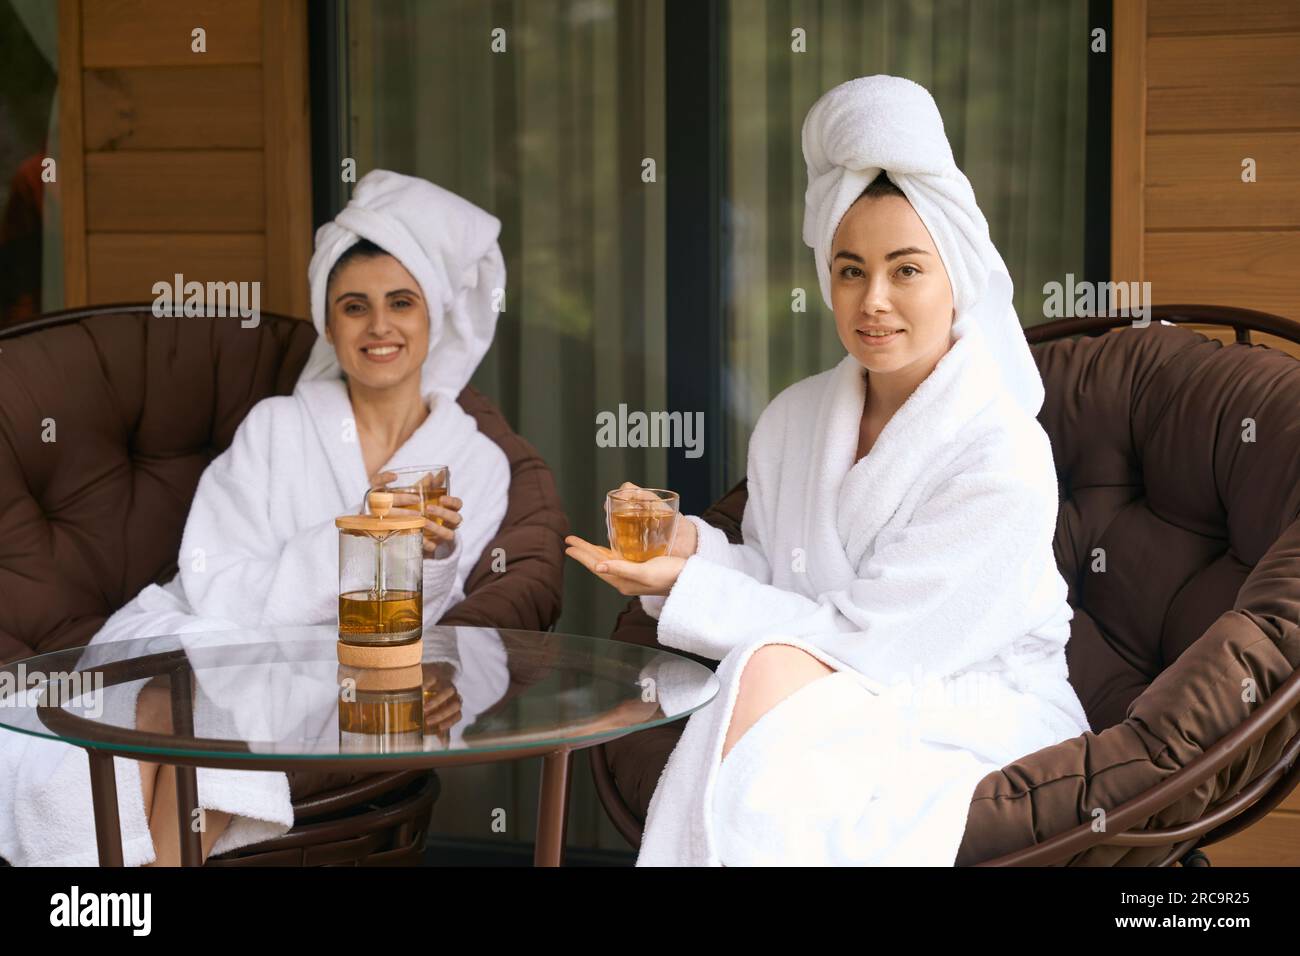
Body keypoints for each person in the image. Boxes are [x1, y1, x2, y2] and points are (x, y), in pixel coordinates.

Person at [565, 75, 1092, 866]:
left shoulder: (1002, 452)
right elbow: (788, 585)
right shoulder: (795, 419)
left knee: (768, 672)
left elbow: (872, 644)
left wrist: (691, 590)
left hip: (963, 701)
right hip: (824, 677)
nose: (873, 300)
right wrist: (692, 550)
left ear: (957, 278)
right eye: (851, 271)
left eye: (906, 270)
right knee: (771, 673)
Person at [0, 170, 513, 866]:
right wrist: (349, 538)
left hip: (340, 676)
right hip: (201, 636)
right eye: (355, 306)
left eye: (402, 302)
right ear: (329, 324)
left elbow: (416, 631)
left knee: (207, 713)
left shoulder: (476, 464)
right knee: (188, 703)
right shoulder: (278, 427)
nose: (380, 326)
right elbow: (215, 587)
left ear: (435, 317)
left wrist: (435, 554)